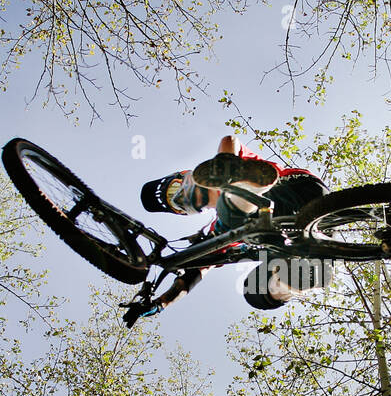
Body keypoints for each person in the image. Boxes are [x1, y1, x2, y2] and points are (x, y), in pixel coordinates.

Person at [131, 135, 333, 324]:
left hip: (296, 191)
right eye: (177, 204)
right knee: (253, 291)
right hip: (309, 238)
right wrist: (160, 304)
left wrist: (224, 160)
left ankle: (247, 190)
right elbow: (195, 272)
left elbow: (230, 140)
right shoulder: (218, 231)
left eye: (176, 189)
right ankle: (298, 278)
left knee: (230, 217)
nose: (181, 197)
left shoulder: (234, 176)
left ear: (186, 175)